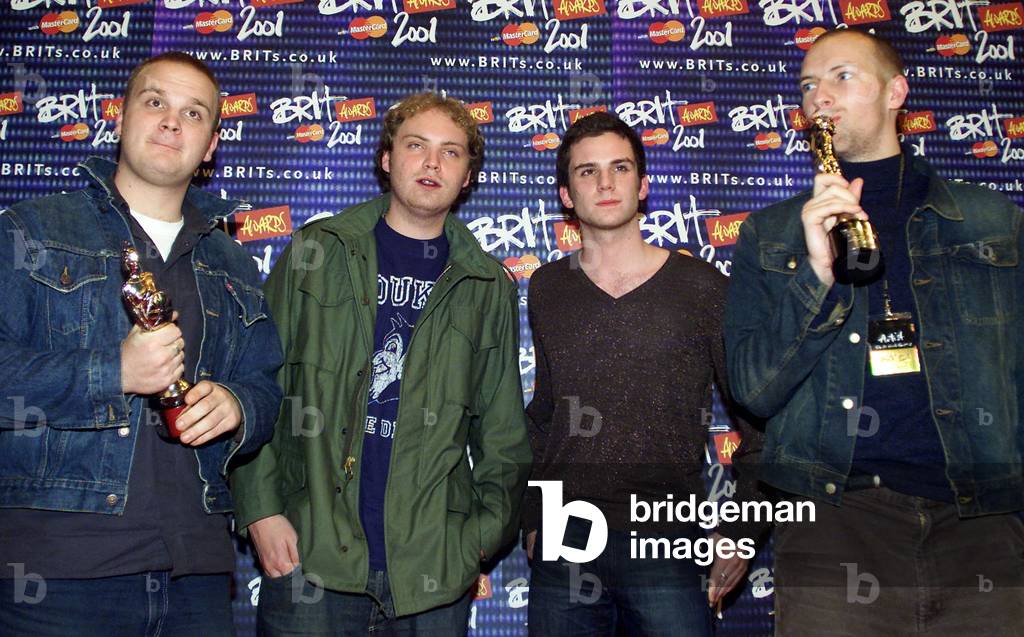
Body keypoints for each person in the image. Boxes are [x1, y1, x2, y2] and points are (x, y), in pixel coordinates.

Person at [725, 29, 1024, 635]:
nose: (819, 99)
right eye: (808, 85)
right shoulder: (772, 235)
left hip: (983, 521)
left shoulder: (995, 220)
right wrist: (816, 273)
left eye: (841, 77)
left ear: (897, 93)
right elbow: (753, 390)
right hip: (835, 518)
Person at [0, 52, 284, 635]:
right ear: (120, 115)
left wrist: (238, 405)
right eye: (155, 102)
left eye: (194, 113)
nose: (172, 122)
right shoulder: (31, 231)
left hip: (197, 574)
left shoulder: (232, 262)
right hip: (59, 574)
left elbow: (267, 388)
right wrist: (113, 371)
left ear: (210, 147)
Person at [230, 92, 532, 636]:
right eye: (417, 146)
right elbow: (256, 382)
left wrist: (478, 541)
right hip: (311, 557)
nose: (432, 163)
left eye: (452, 152)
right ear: (387, 159)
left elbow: (503, 433)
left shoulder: (488, 286)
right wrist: (260, 509)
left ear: (468, 177)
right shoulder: (316, 251)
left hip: (432, 574)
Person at [522, 111, 764, 636]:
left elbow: (758, 418)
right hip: (565, 537)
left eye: (620, 168)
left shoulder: (702, 288)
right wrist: (533, 516)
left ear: (644, 184)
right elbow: (544, 415)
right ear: (566, 194)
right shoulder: (546, 288)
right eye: (587, 172)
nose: (605, 182)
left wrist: (742, 528)